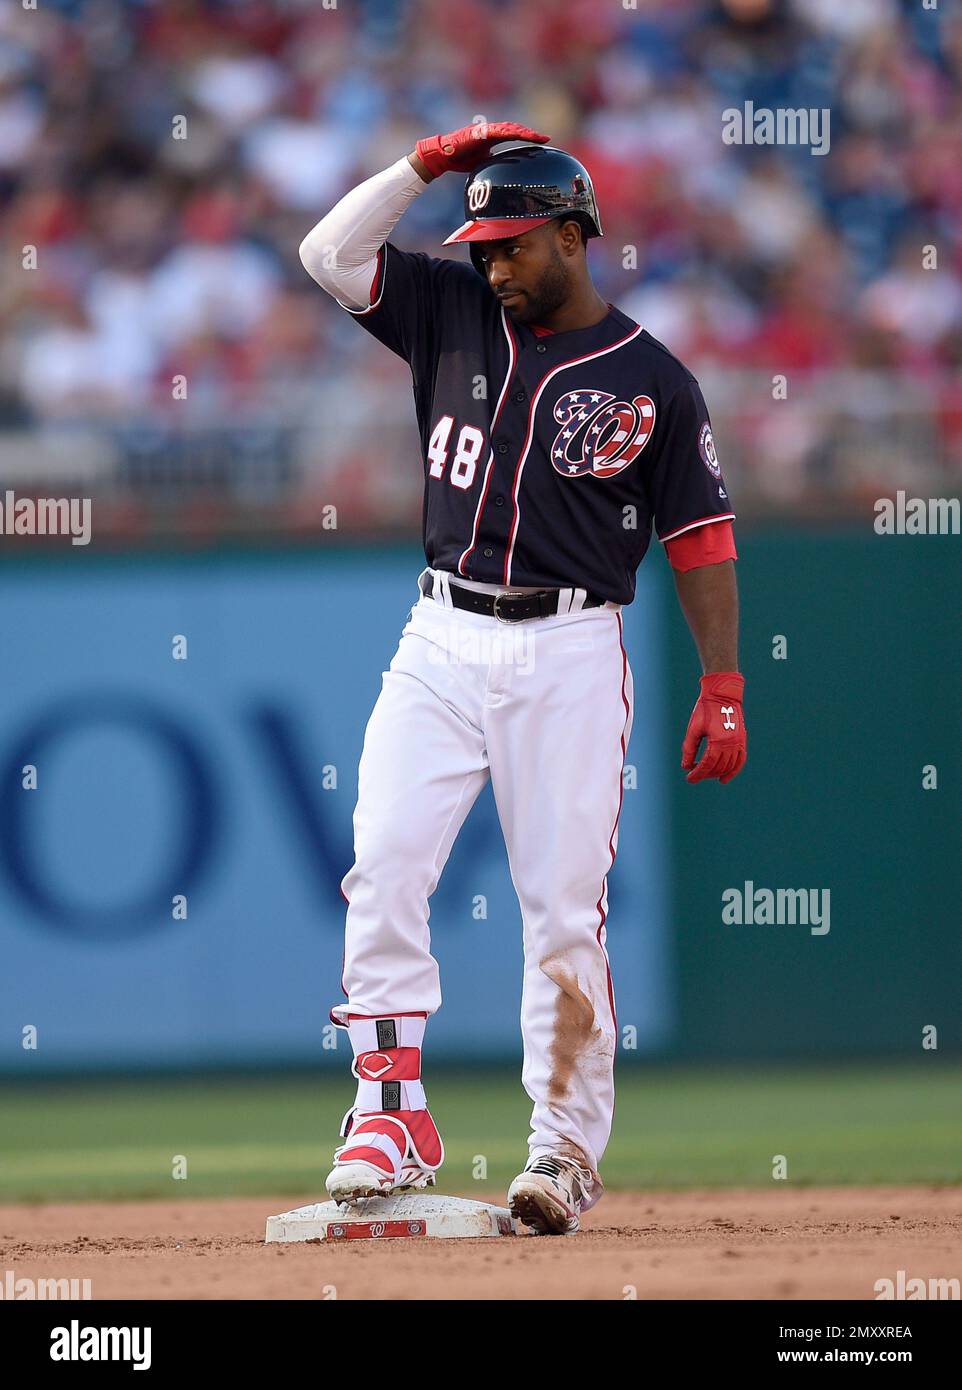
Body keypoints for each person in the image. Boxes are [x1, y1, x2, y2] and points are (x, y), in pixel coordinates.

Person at [299, 121, 746, 1235]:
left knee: (559, 915)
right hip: (440, 630)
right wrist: (422, 163)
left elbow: (697, 538)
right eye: (481, 245)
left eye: (510, 245)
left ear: (571, 236)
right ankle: (388, 1109)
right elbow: (326, 256)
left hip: (569, 648)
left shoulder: (652, 377)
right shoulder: (447, 307)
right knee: (384, 858)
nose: (490, 264)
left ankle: (560, 1147)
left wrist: (723, 681)